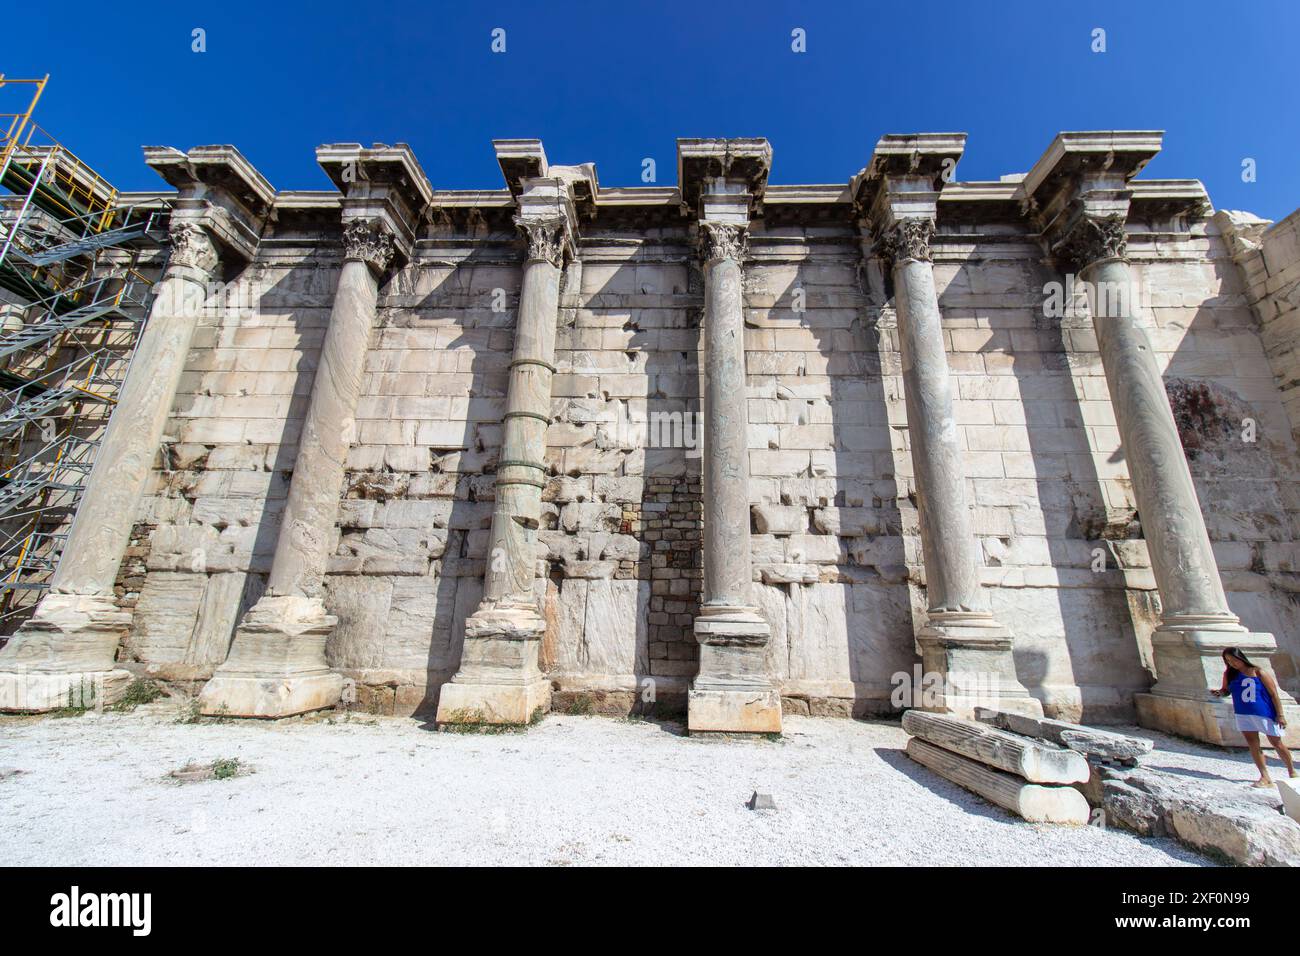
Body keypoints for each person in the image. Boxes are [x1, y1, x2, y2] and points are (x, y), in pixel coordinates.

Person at [1210, 646, 1295, 788]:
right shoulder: (1230, 674)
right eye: (1228, 661)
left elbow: (1274, 694)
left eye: (1234, 660)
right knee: (1253, 744)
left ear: (1241, 657)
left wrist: (1280, 714)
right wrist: (1219, 693)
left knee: (1277, 743)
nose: (1232, 663)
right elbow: (1226, 691)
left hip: (1264, 712)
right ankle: (1265, 776)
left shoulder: (1258, 672)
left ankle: (1292, 771)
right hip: (1243, 712)